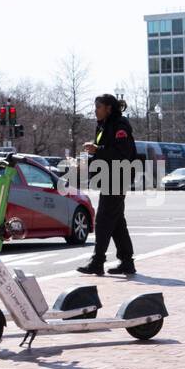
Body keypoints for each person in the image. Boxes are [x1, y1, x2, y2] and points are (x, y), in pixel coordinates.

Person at [78, 93, 137, 276]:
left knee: (103, 219)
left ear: (108, 108)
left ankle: (97, 261)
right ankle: (127, 262)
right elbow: (105, 153)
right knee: (117, 221)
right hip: (108, 176)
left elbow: (122, 153)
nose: (95, 111)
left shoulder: (120, 125)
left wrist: (98, 150)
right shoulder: (103, 125)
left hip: (119, 176)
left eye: (98, 107)